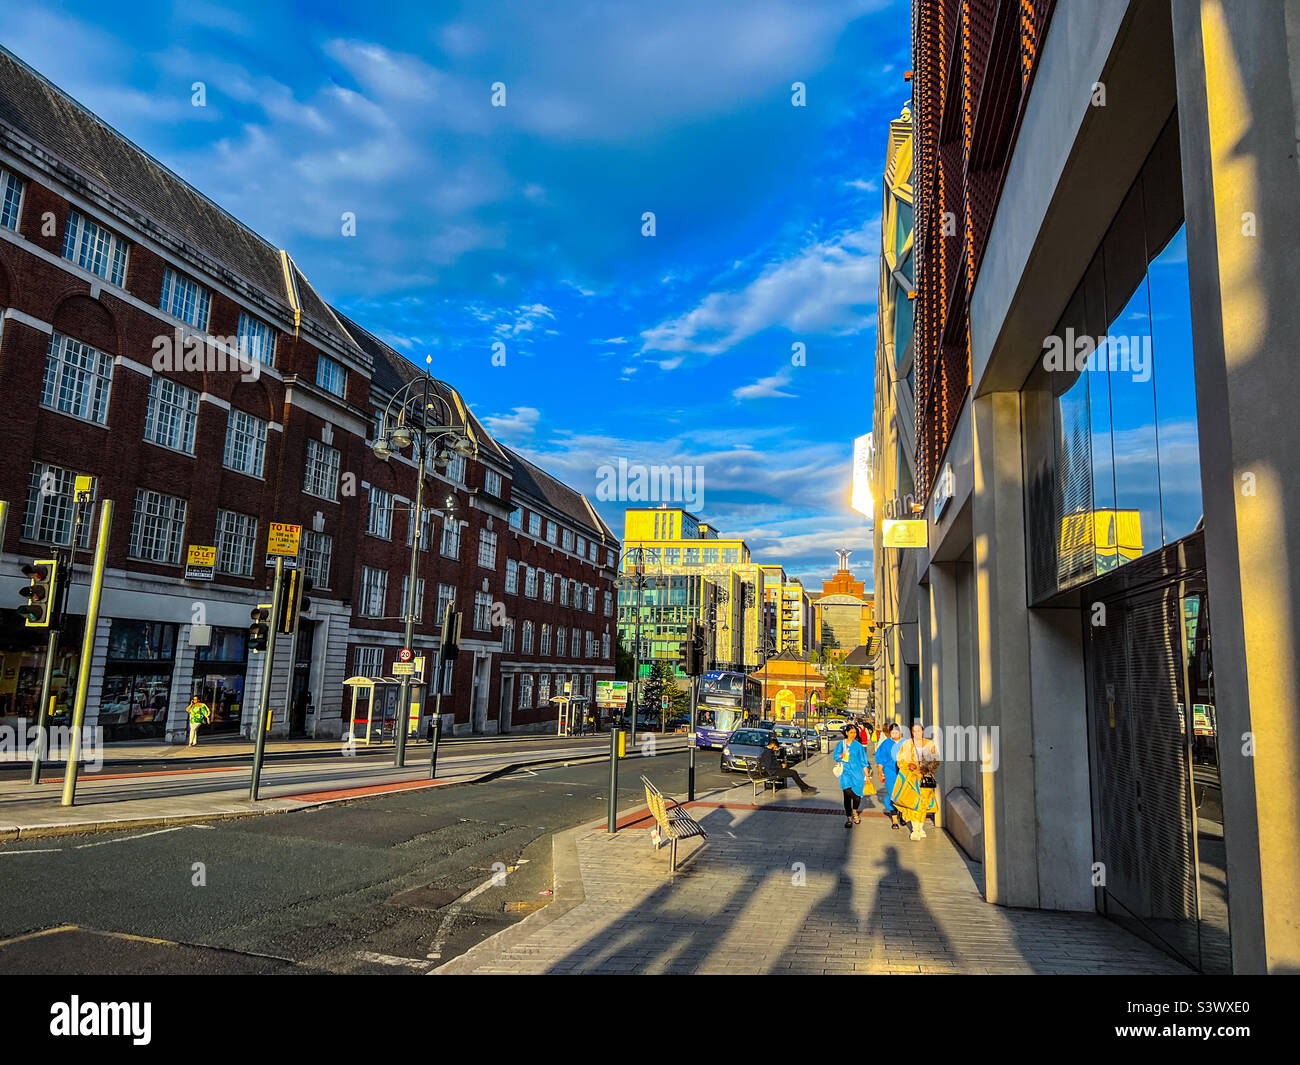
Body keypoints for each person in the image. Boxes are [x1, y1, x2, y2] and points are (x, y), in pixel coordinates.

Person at [891, 723, 940, 840]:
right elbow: (900, 760)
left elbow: (936, 760)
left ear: (923, 731)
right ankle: (915, 829)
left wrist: (927, 768)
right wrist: (909, 765)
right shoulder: (907, 744)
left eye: (918, 731)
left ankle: (920, 827)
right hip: (911, 778)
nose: (916, 733)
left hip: (925, 778)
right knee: (913, 803)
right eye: (914, 731)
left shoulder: (930, 744)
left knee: (923, 803)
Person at [832, 724, 870, 828]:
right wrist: (841, 756)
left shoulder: (858, 746)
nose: (853, 735)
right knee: (847, 793)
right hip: (845, 773)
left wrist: (867, 776)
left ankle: (855, 811)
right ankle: (849, 817)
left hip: (857, 773)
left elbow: (864, 762)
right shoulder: (841, 744)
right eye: (851, 732)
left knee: (857, 796)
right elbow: (835, 756)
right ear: (847, 733)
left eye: (855, 733)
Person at [876, 723, 903, 829]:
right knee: (893, 794)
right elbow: (880, 757)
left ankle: (902, 815)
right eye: (892, 732)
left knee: (902, 793)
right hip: (890, 771)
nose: (894, 734)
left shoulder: (905, 743)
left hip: (903, 772)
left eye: (896, 732)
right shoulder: (886, 743)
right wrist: (880, 770)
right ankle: (895, 820)